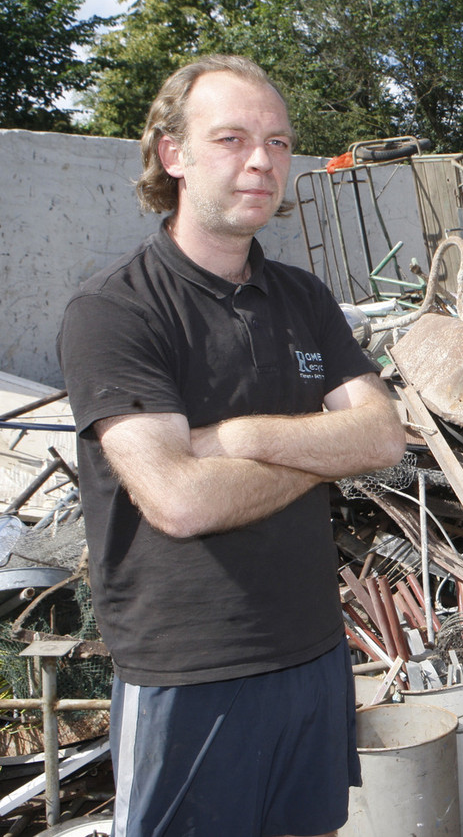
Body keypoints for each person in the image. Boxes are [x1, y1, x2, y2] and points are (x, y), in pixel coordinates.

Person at [57, 55, 407, 837]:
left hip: (313, 652)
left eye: (279, 142)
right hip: (191, 671)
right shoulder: (116, 311)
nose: (262, 160)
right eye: (232, 138)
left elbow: (381, 435)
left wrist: (242, 437)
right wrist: (320, 450)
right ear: (172, 154)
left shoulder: (303, 298)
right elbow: (179, 501)